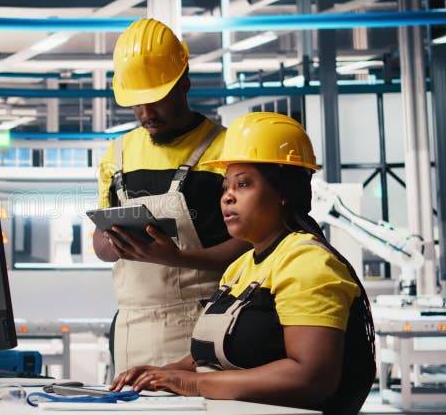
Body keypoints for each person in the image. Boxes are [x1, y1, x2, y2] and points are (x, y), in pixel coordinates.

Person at [110, 112, 376, 415]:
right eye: (225, 188)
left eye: (244, 184)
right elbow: (212, 354)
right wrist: (162, 372)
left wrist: (193, 384)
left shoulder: (308, 263)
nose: (227, 198)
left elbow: (311, 377)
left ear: (283, 192)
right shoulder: (242, 266)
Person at [93, 18, 250, 375]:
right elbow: (98, 243)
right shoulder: (116, 154)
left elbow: (251, 245)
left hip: (206, 324)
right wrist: (114, 243)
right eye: (136, 103)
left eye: (156, 99)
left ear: (184, 84)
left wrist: (177, 258)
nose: (146, 114)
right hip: (132, 329)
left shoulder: (228, 150)